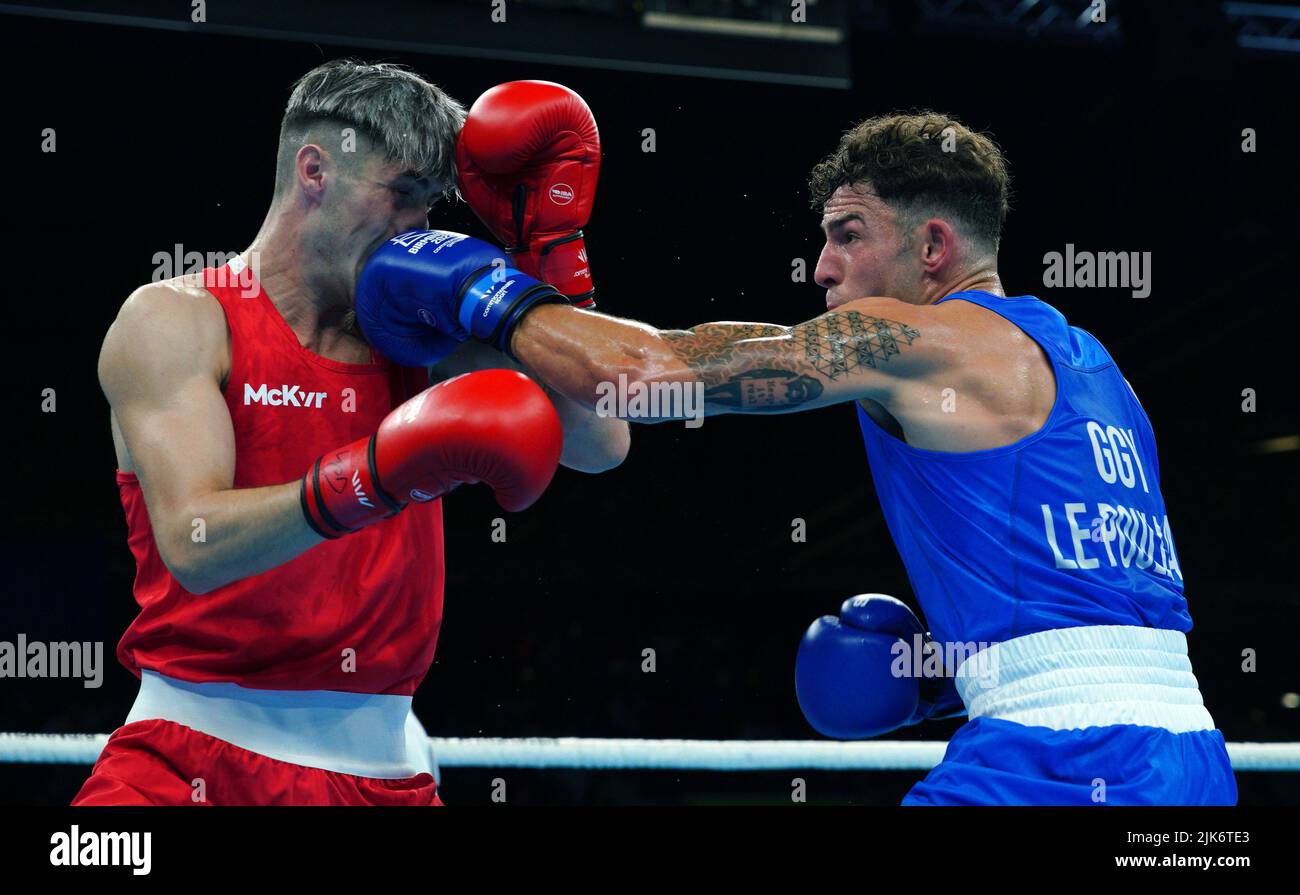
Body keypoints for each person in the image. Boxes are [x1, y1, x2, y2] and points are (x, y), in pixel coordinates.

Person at [356, 98, 1236, 805]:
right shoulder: (1098, 370)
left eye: (848, 234)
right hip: (1192, 760)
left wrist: (494, 290)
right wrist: (946, 669)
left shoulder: (917, 340)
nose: (820, 267)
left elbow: (644, 377)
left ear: (934, 247)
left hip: (1062, 759)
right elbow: (1101, 589)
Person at [75, 60, 628, 807]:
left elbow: (602, 440)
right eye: (401, 196)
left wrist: (546, 254)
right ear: (315, 171)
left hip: (384, 778)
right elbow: (194, 543)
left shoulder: (424, 334)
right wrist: (374, 474)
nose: (417, 231)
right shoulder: (178, 320)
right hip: (184, 762)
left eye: (431, 206)